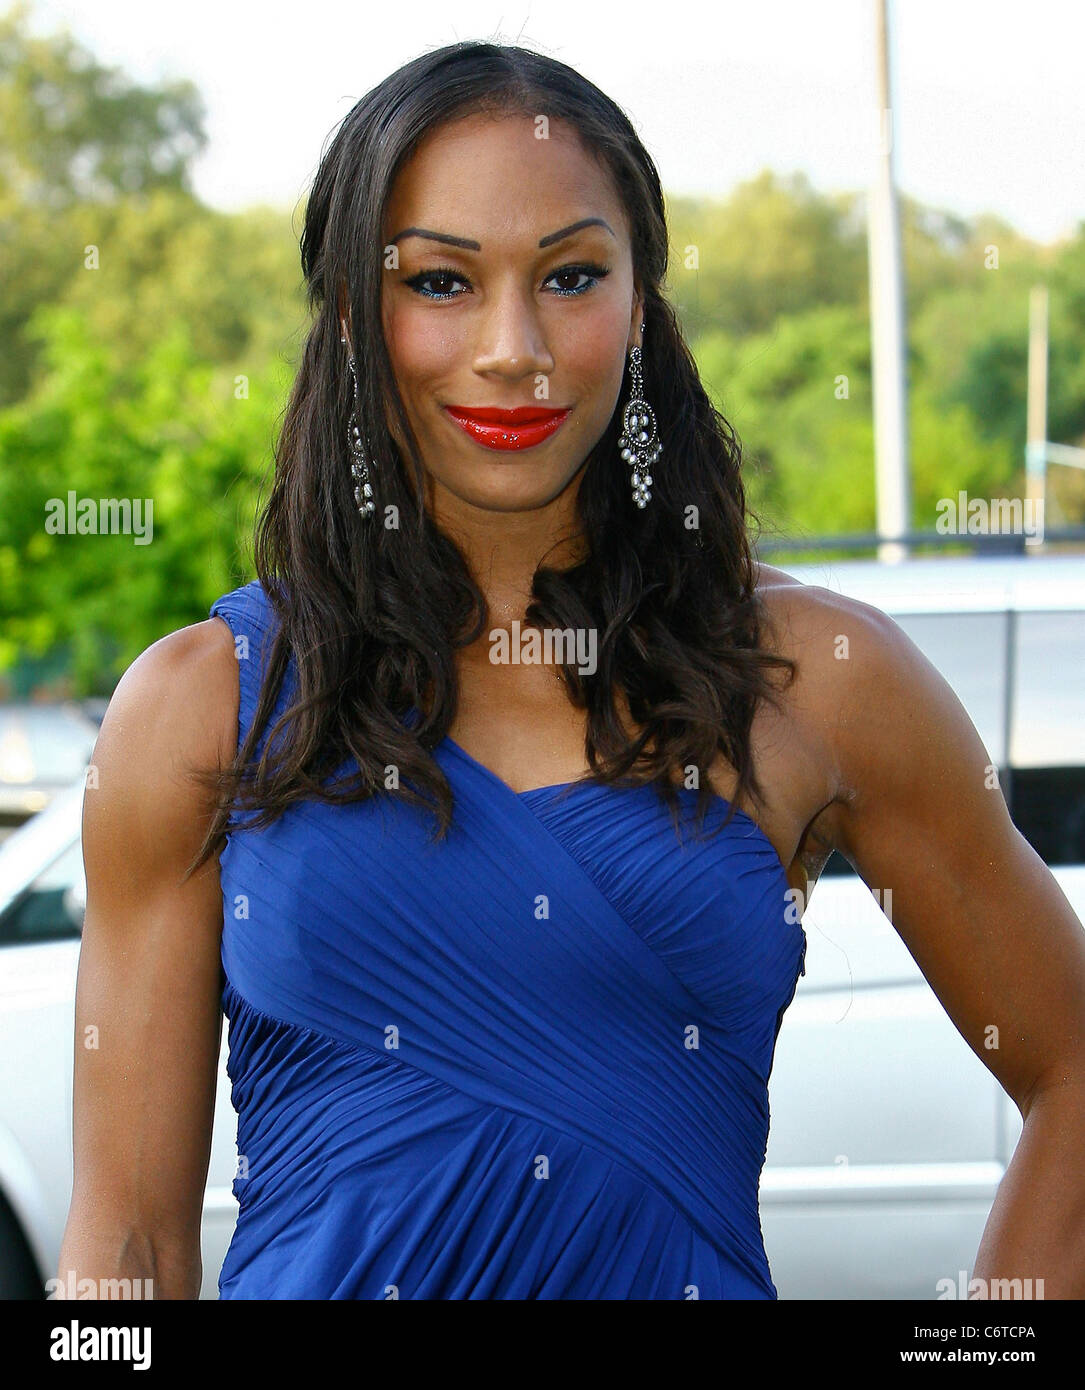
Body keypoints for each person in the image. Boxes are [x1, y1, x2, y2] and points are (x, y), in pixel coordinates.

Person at [58, 41, 1085, 1300]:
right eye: (439, 279)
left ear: (642, 303)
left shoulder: (815, 678)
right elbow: (123, 1254)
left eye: (570, 275)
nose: (511, 347)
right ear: (347, 313)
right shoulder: (202, 705)